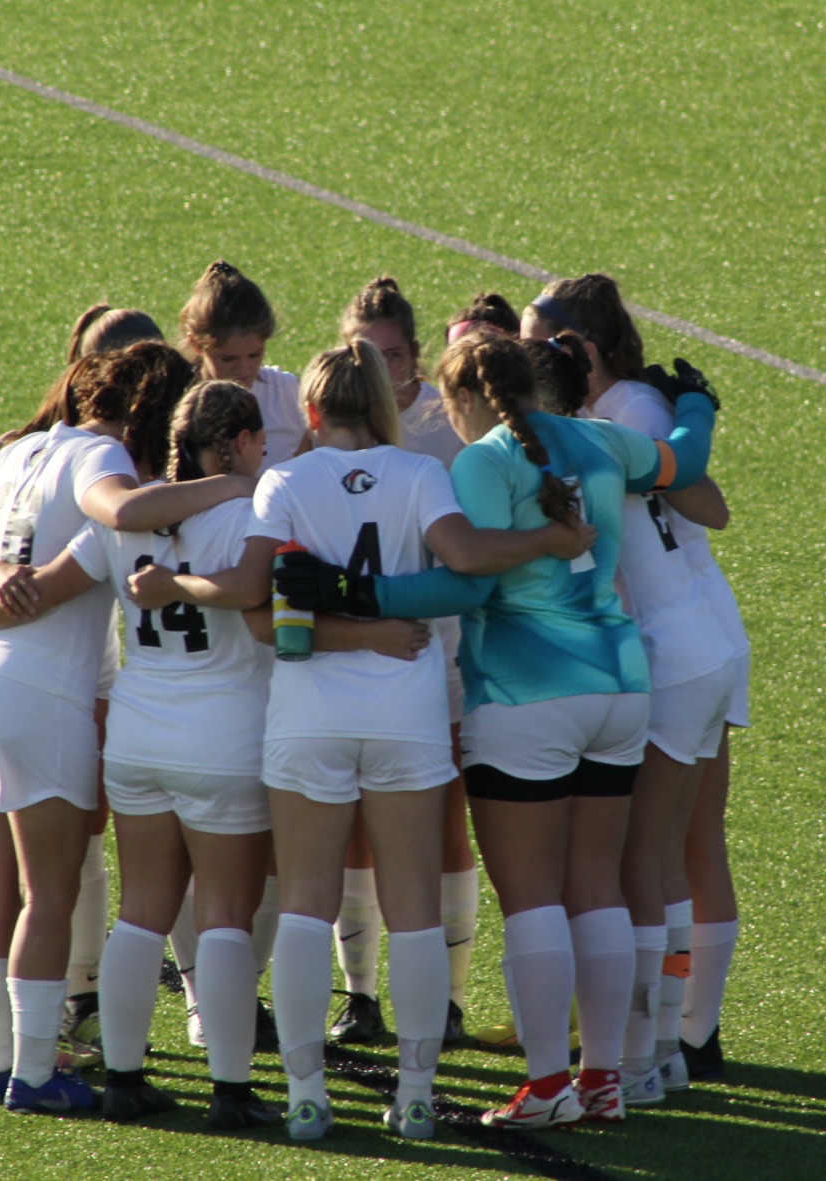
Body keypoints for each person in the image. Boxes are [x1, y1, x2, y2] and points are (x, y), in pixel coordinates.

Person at [130, 339, 592, 1141]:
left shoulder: (281, 479)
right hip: (406, 713)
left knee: (307, 906)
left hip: (309, 715)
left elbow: (263, 618)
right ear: (382, 403)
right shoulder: (421, 475)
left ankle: (307, 1092)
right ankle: (415, 1094)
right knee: (412, 908)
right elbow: (468, 561)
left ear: (309, 411)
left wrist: (340, 629)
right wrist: (549, 541)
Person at [275, 332, 720, 1129]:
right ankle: (605, 1078)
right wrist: (695, 403)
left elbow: (470, 581)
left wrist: (356, 593)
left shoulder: (481, 461)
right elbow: (683, 464)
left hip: (526, 695)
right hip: (621, 685)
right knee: (597, 886)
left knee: (533, 900)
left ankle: (548, 1082)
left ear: (463, 398)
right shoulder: (603, 437)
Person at [0, 345, 247, 1116]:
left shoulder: (30, 446)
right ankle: (34, 1073)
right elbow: (125, 511)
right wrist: (240, 482)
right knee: (49, 891)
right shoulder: (101, 456)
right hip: (37, 690)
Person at [537, 274, 745, 1098]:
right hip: (699, 642)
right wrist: (698, 409)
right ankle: (670, 1044)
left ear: (582, 348)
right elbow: (704, 493)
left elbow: (706, 500)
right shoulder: (622, 418)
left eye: (543, 339)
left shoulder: (610, 422)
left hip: (671, 648)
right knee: (664, 854)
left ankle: (657, 1051)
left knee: (649, 859)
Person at [325, 277, 481, 1049]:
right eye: (366, 356)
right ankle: (359, 996)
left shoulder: (448, 427)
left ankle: (448, 1000)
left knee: (444, 825)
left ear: (415, 353)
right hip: (350, 666)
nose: (381, 372)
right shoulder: (319, 424)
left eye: (391, 355)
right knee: (354, 828)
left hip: (436, 656)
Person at [181, 260, 306, 469]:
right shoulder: (179, 402)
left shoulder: (289, 395)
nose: (244, 369)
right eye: (228, 359)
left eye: (255, 355)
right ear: (196, 344)